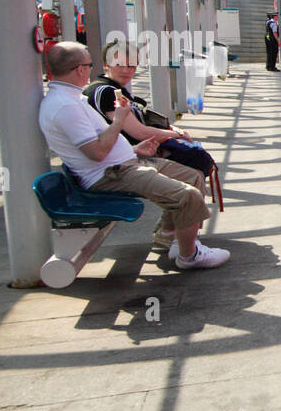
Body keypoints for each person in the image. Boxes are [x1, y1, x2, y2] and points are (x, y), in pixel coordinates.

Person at [38, 42, 228, 270]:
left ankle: (174, 237)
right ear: (80, 69)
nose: (90, 70)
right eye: (89, 65)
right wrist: (119, 119)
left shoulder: (73, 99)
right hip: (111, 173)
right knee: (188, 196)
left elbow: (100, 143)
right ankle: (190, 256)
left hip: (126, 161)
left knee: (194, 176)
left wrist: (133, 150)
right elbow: (97, 152)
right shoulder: (65, 106)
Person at [84, 40, 217, 182]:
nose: (126, 70)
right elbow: (139, 132)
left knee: (195, 166)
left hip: (131, 154)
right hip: (122, 163)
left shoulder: (115, 90)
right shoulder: (106, 92)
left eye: (131, 66)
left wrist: (172, 130)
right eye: (119, 64)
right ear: (106, 64)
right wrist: (177, 134)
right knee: (193, 175)